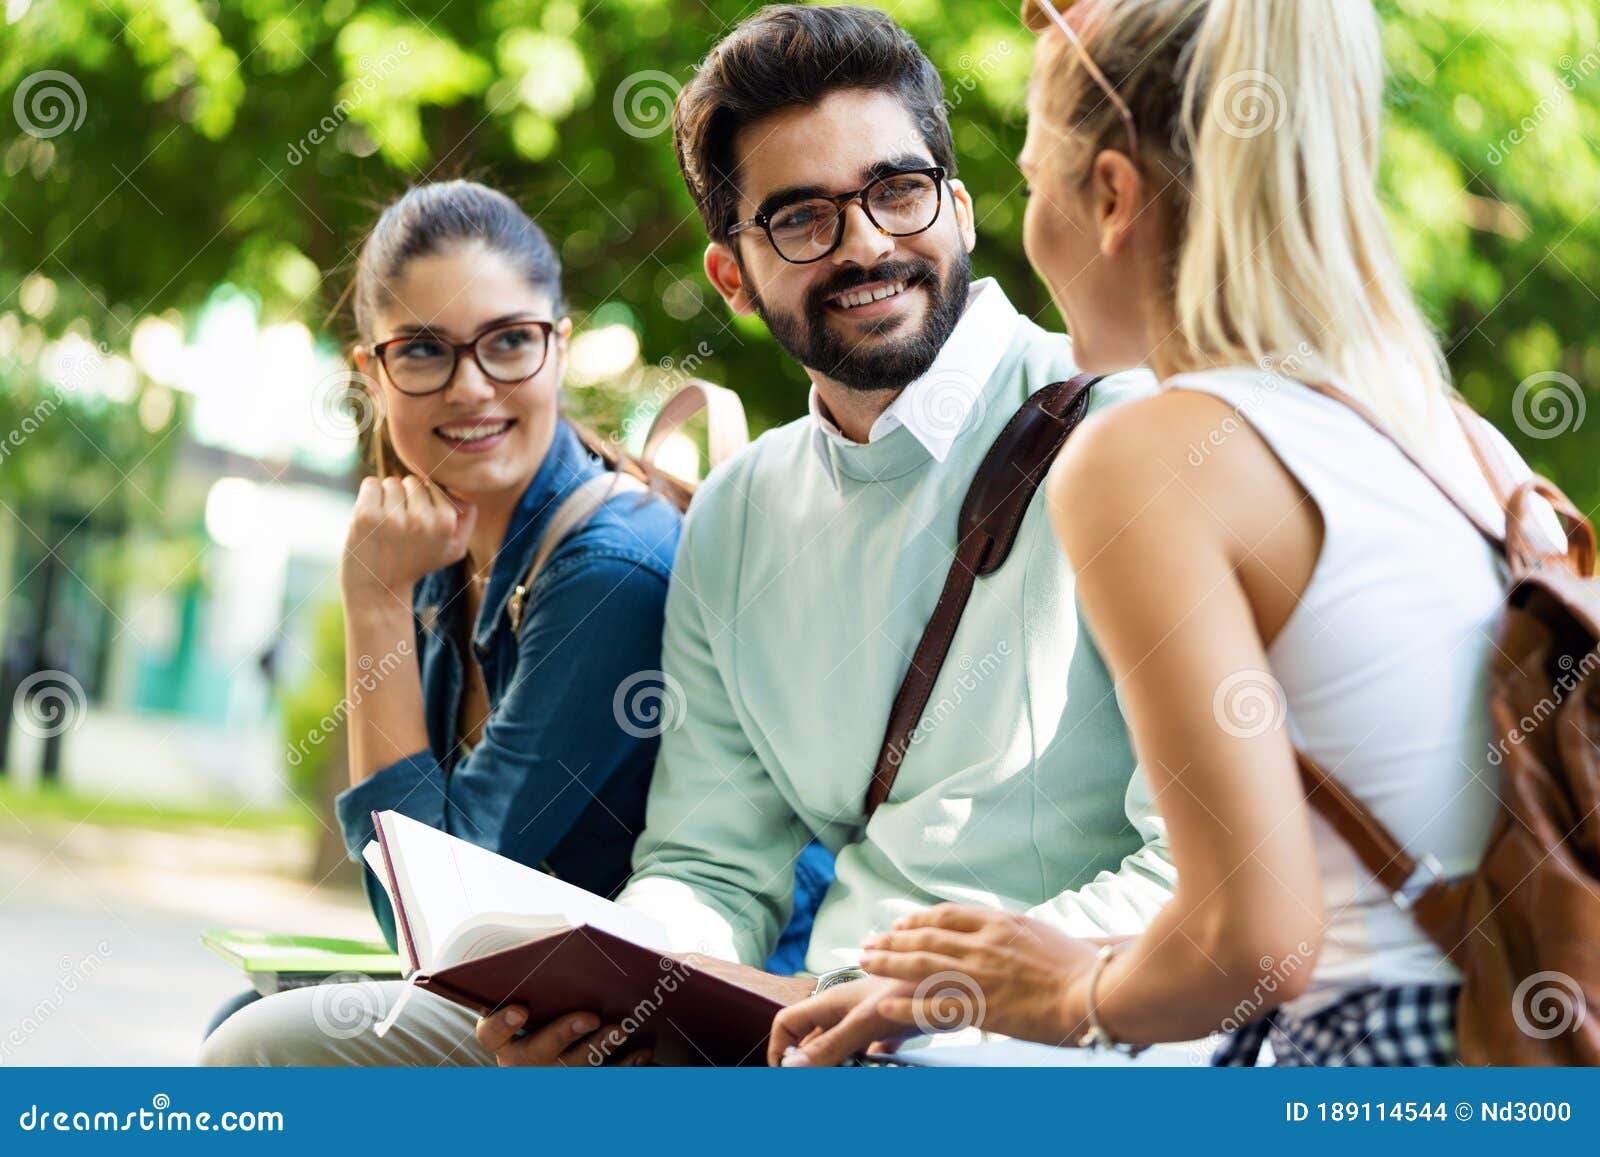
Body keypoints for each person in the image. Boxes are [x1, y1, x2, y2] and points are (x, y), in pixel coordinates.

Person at [774, 0, 1535, 1067]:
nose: (1030, 229)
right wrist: (971, 983)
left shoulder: (1149, 455)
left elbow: (1254, 943)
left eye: (1034, 182)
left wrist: (1057, 990)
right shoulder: (1447, 435)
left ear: (1110, 196)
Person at [472, 4, 1173, 1067]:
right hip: (812, 1034)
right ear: (732, 278)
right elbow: (710, 866)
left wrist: (904, 1000)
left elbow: (1200, 879)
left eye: (897, 190)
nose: (867, 244)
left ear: (958, 208)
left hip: (1050, 1044)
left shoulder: (1138, 432)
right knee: (278, 1042)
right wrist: (629, 991)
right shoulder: (738, 513)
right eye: (802, 219)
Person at [200, 180, 827, 1066]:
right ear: (370, 373)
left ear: (558, 349)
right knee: (248, 1008)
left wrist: (373, 604)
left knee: (256, 1049)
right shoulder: (442, 546)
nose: (471, 387)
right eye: (424, 350)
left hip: (708, 1019)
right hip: (549, 1001)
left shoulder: (607, 570)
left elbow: (427, 922)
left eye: (508, 342)